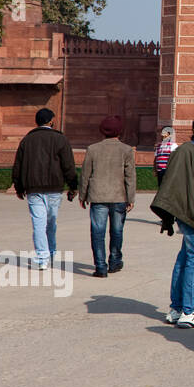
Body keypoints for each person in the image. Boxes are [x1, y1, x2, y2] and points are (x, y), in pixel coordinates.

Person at [152, 113, 194, 328]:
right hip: (191, 211)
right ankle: (190, 311)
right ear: (193, 130)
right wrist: (171, 214)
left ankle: (177, 308)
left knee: (184, 259)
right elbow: (171, 181)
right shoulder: (185, 151)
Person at [11, 107, 78, 271]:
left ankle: (43, 258)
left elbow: (17, 166)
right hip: (54, 187)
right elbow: (68, 165)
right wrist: (73, 186)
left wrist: (18, 187)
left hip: (33, 188)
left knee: (38, 223)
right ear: (51, 121)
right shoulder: (60, 139)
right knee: (51, 222)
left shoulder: (27, 140)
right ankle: (51, 253)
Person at [78, 115, 136, 277]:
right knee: (117, 231)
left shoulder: (93, 149)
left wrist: (82, 195)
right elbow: (130, 176)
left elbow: (85, 174)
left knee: (98, 232)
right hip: (119, 196)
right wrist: (131, 198)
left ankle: (100, 266)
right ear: (120, 131)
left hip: (98, 196)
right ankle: (115, 261)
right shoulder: (126, 150)